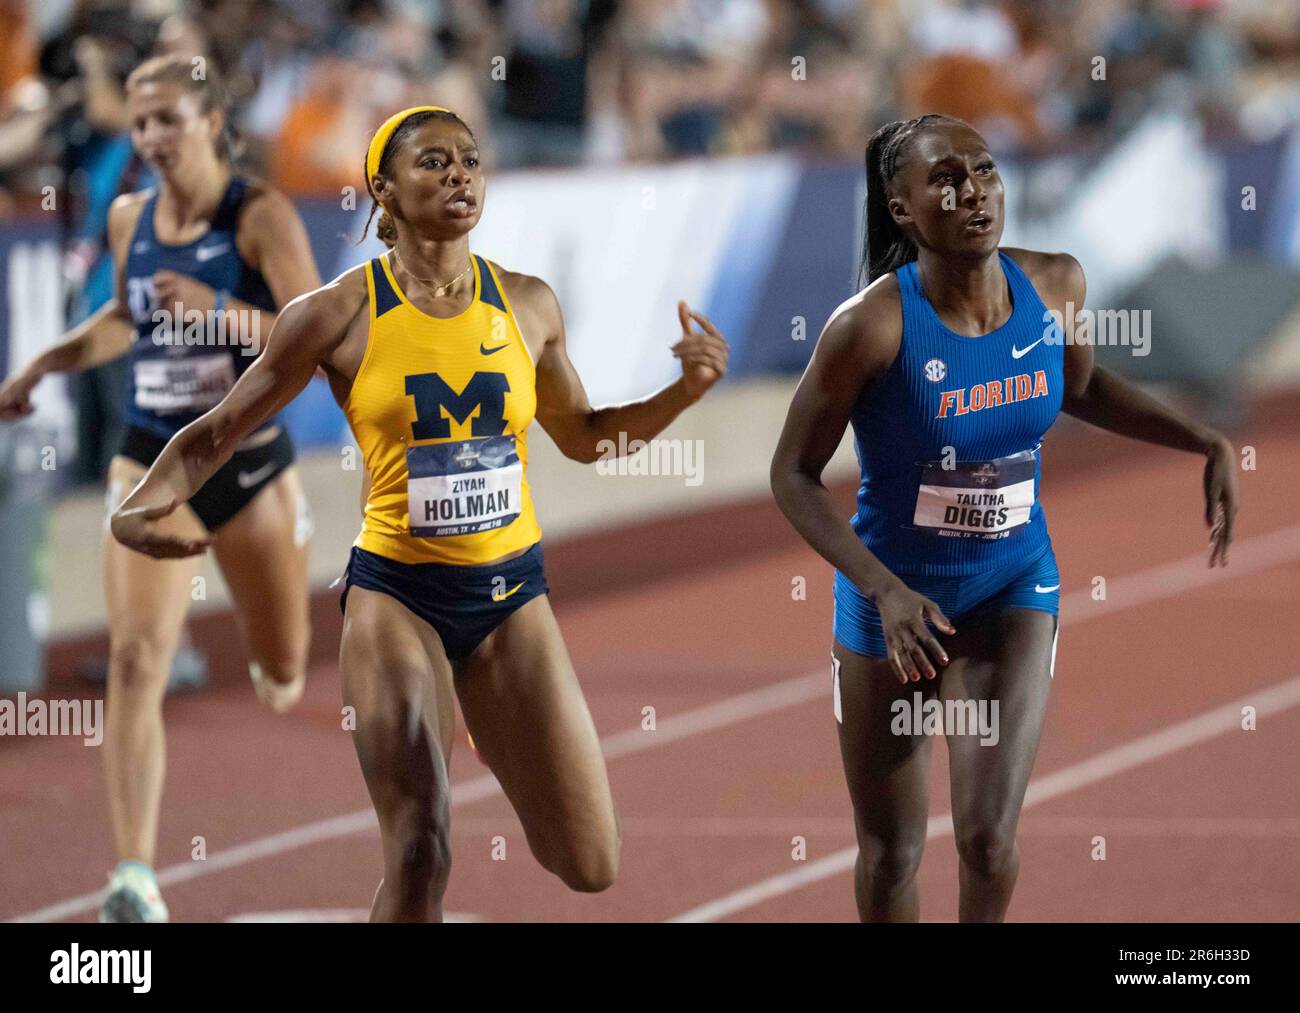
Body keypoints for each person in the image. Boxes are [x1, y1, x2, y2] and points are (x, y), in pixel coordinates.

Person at [109, 105, 730, 922]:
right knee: (421, 842)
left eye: (469, 159)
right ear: (383, 190)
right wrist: (137, 509)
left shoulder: (528, 304)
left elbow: (584, 438)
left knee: (591, 861)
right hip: (397, 597)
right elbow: (217, 431)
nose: (459, 175)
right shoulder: (337, 312)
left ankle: (484, 707)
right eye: (433, 162)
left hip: (512, 598)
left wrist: (680, 393)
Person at [770, 114, 1237, 923]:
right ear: (903, 209)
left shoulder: (1055, 284)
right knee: (892, 857)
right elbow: (794, 475)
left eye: (983, 169)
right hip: (897, 602)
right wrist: (883, 591)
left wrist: (1199, 438)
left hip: (1013, 582)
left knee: (987, 838)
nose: (973, 191)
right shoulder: (870, 328)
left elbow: (1081, 385)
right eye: (944, 179)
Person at [0, 54, 322, 922]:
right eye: (141, 124)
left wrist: (219, 315)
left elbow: (317, 338)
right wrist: (48, 359)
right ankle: (135, 876)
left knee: (283, 670)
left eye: (169, 120)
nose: (152, 139)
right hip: (149, 463)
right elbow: (123, 318)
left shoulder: (259, 217)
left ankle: (276, 639)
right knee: (138, 661)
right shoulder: (128, 216)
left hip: (245, 459)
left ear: (212, 121)